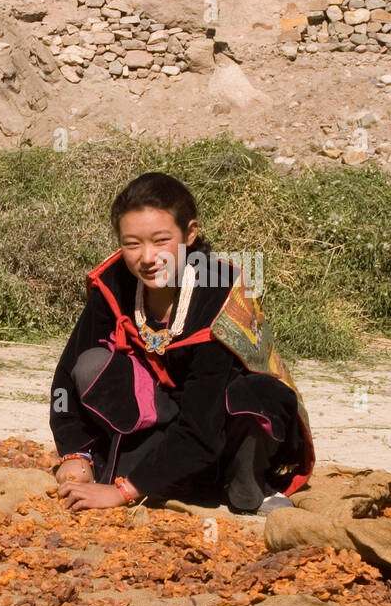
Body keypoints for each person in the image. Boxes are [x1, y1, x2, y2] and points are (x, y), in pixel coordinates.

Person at [50, 172, 313, 513]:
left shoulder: (216, 293)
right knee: (91, 365)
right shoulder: (114, 284)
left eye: (161, 241)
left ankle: (245, 479)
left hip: (221, 419)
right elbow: (65, 378)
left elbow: (202, 426)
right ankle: (156, 470)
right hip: (159, 418)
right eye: (132, 243)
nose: (147, 257)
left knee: (255, 395)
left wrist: (123, 492)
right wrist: (74, 451)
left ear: (190, 234)